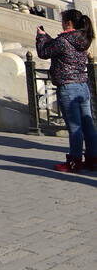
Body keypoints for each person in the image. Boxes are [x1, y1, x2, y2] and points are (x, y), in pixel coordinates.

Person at [36, 10, 97, 172]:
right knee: (88, 125)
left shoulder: (63, 41)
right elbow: (58, 48)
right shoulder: (83, 39)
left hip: (68, 87)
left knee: (75, 127)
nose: (61, 23)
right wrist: (48, 37)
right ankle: (93, 158)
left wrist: (41, 37)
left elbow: (44, 52)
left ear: (68, 22)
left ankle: (74, 161)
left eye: (63, 21)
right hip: (83, 86)